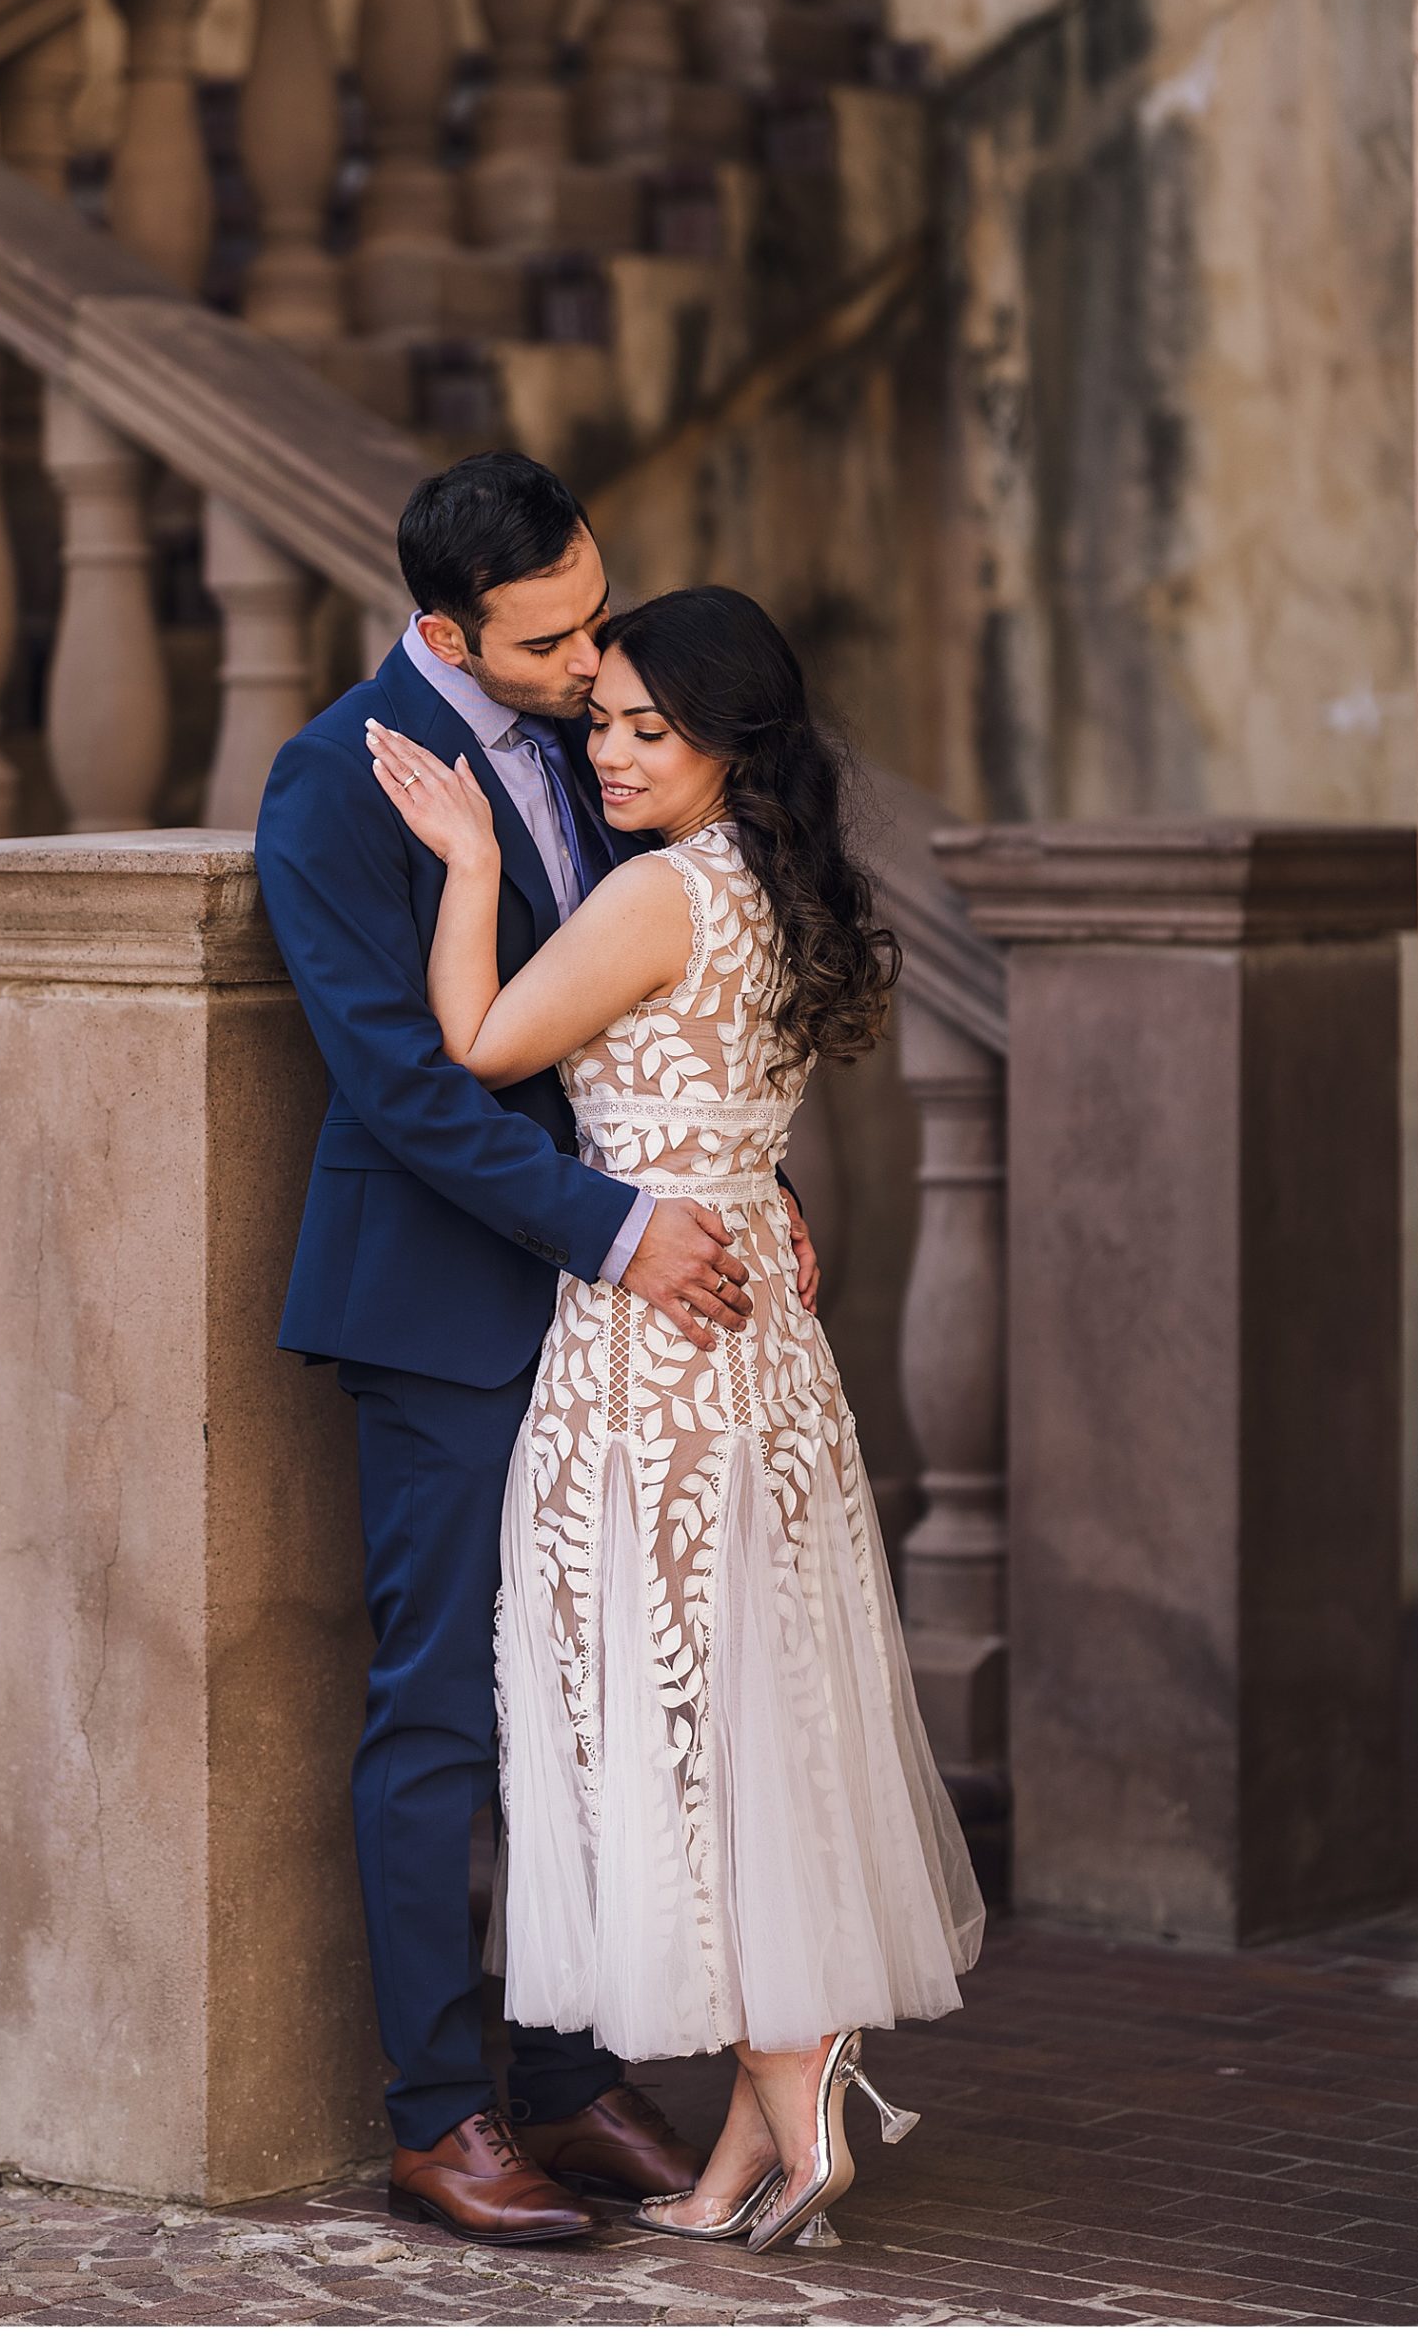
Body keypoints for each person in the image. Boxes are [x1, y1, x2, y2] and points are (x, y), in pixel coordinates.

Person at [365, 583, 986, 2254]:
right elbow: (722, 1116)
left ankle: (791, 2077)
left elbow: (477, 1041)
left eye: (651, 729)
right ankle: (748, 2145)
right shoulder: (781, 888)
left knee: (659, 1727)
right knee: (752, 1718)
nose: (612, 753)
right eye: (603, 723)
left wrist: (473, 865)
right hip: (759, 1342)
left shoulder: (654, 895)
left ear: (732, 741)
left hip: (648, 1360)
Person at [254, 455, 822, 2245]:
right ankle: (440, 2116)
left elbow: (645, 1019)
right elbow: (406, 1085)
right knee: (440, 1712)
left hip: (610, 1327)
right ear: (445, 636)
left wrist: (738, 1180)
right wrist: (622, 1228)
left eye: (597, 614)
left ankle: (568, 2083)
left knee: (591, 1703)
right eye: (551, 642)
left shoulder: (603, 742)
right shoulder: (331, 782)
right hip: (444, 1311)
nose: (592, 666)